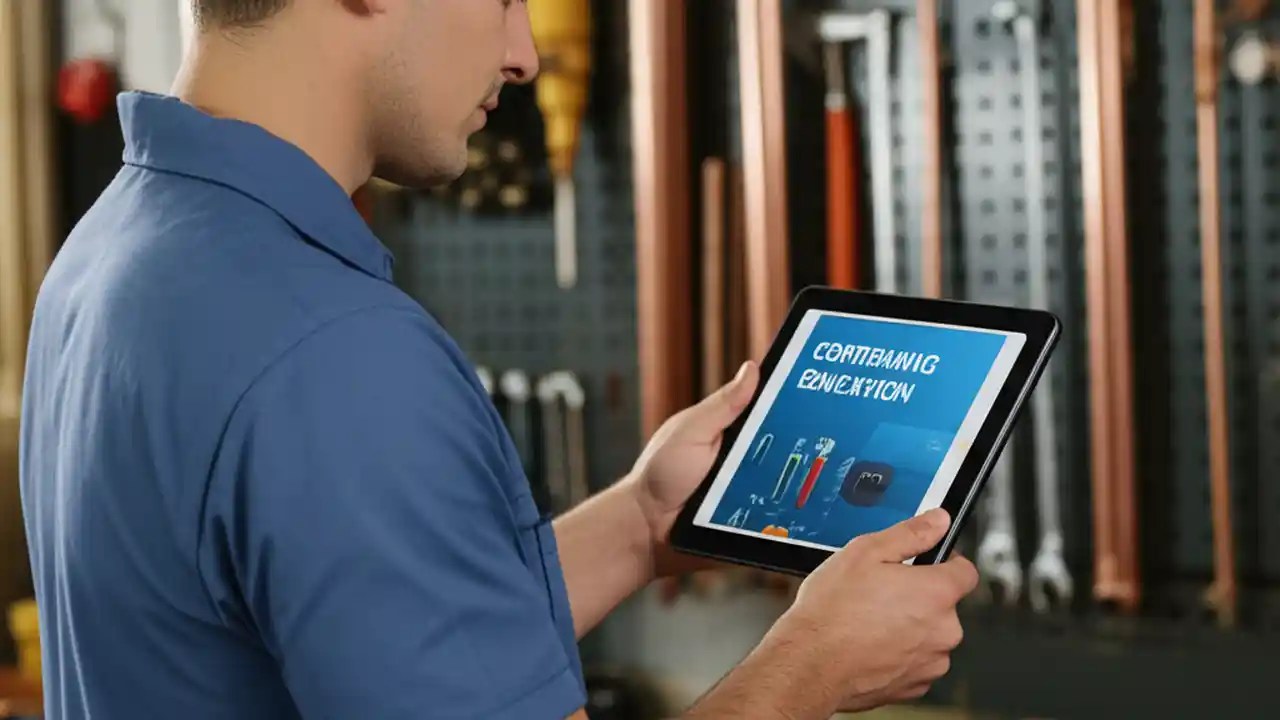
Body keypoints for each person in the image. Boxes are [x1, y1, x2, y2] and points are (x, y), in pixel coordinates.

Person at [19, 1, 979, 718]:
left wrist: (645, 520)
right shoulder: (335, 354)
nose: (522, 56)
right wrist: (809, 667)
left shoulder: (112, 252)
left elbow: (372, 630)